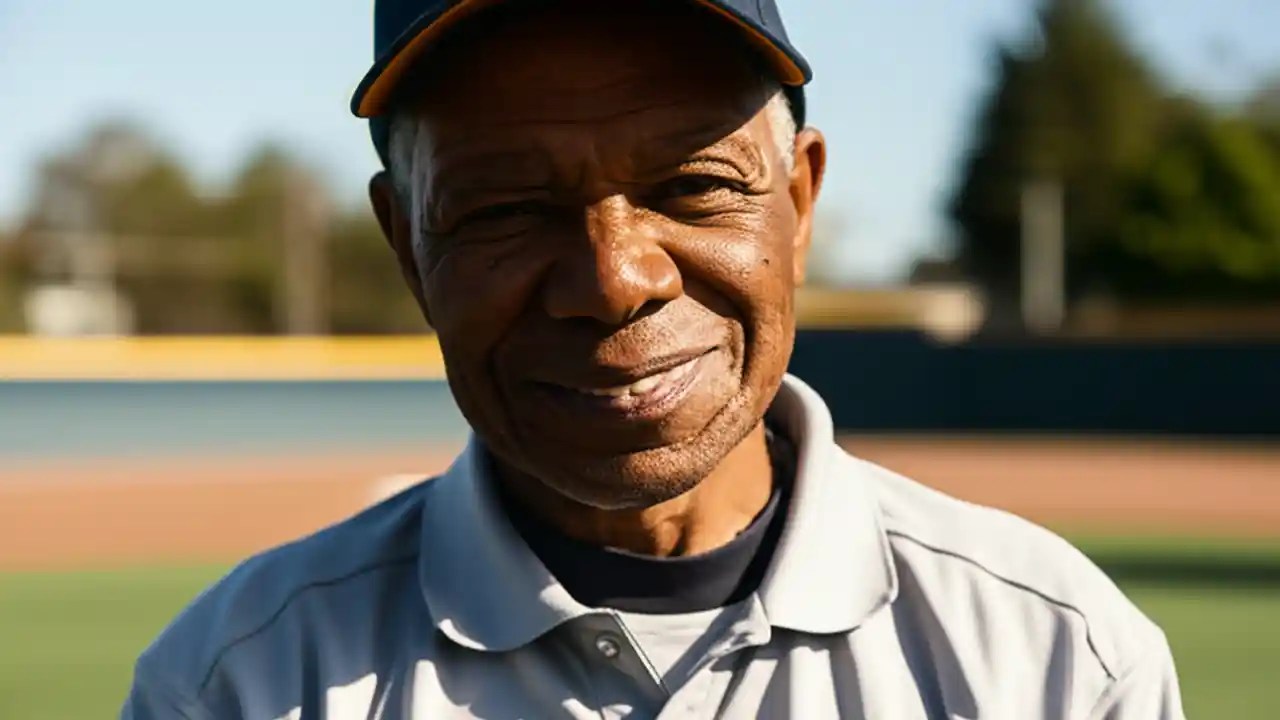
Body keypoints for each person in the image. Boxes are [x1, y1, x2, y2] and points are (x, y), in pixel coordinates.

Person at [121, 1, 1185, 718]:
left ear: (798, 201)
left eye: (692, 186)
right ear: (407, 245)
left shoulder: (1050, 656)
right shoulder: (243, 681)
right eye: (503, 207)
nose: (613, 279)